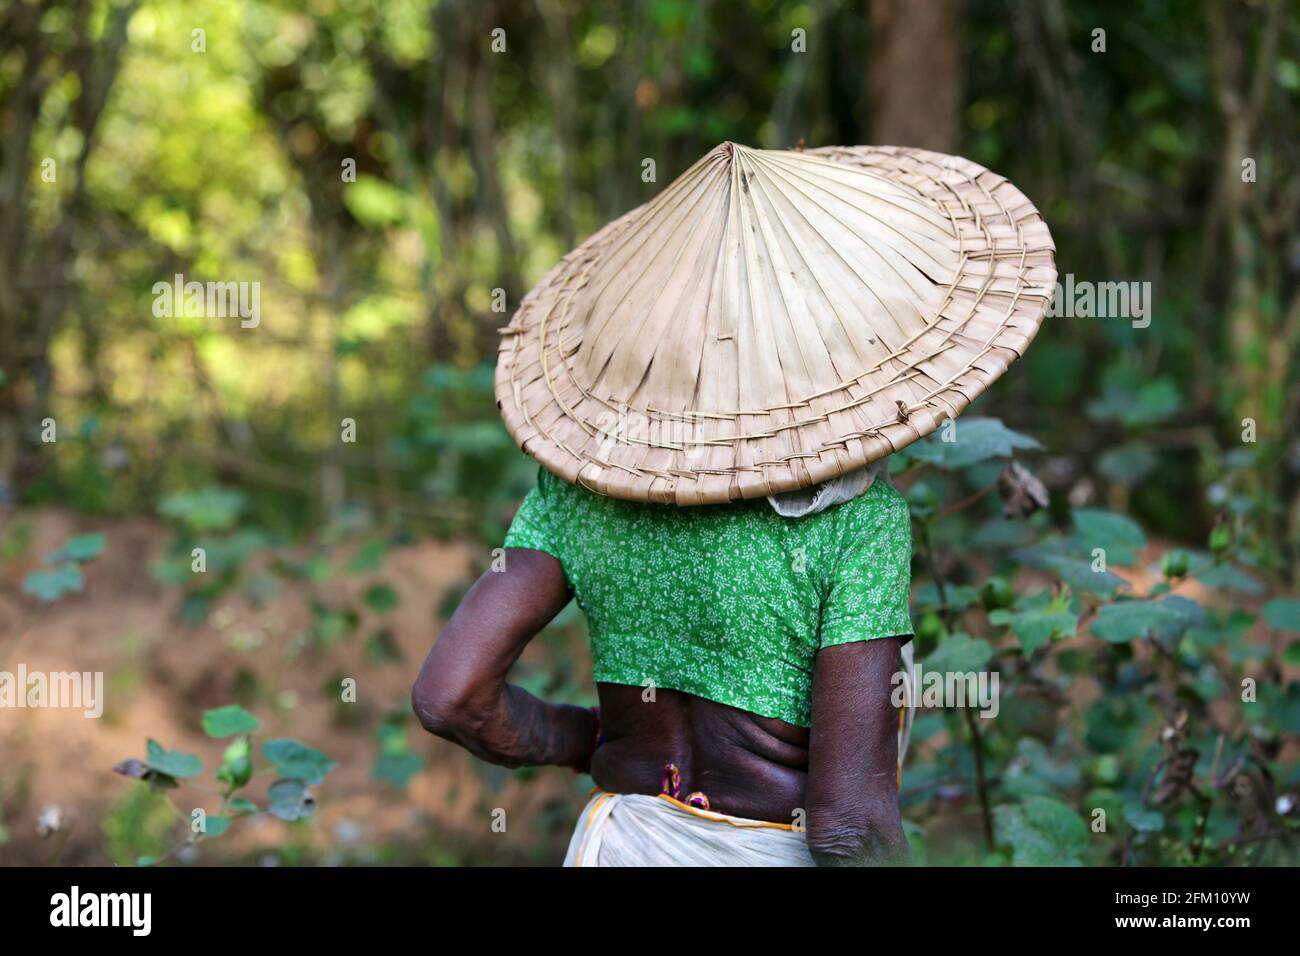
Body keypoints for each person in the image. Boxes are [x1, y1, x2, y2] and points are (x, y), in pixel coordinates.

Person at [412, 141, 1054, 866]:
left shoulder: (578, 488)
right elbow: (848, 826)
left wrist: (589, 738)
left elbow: (452, 693)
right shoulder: (856, 521)